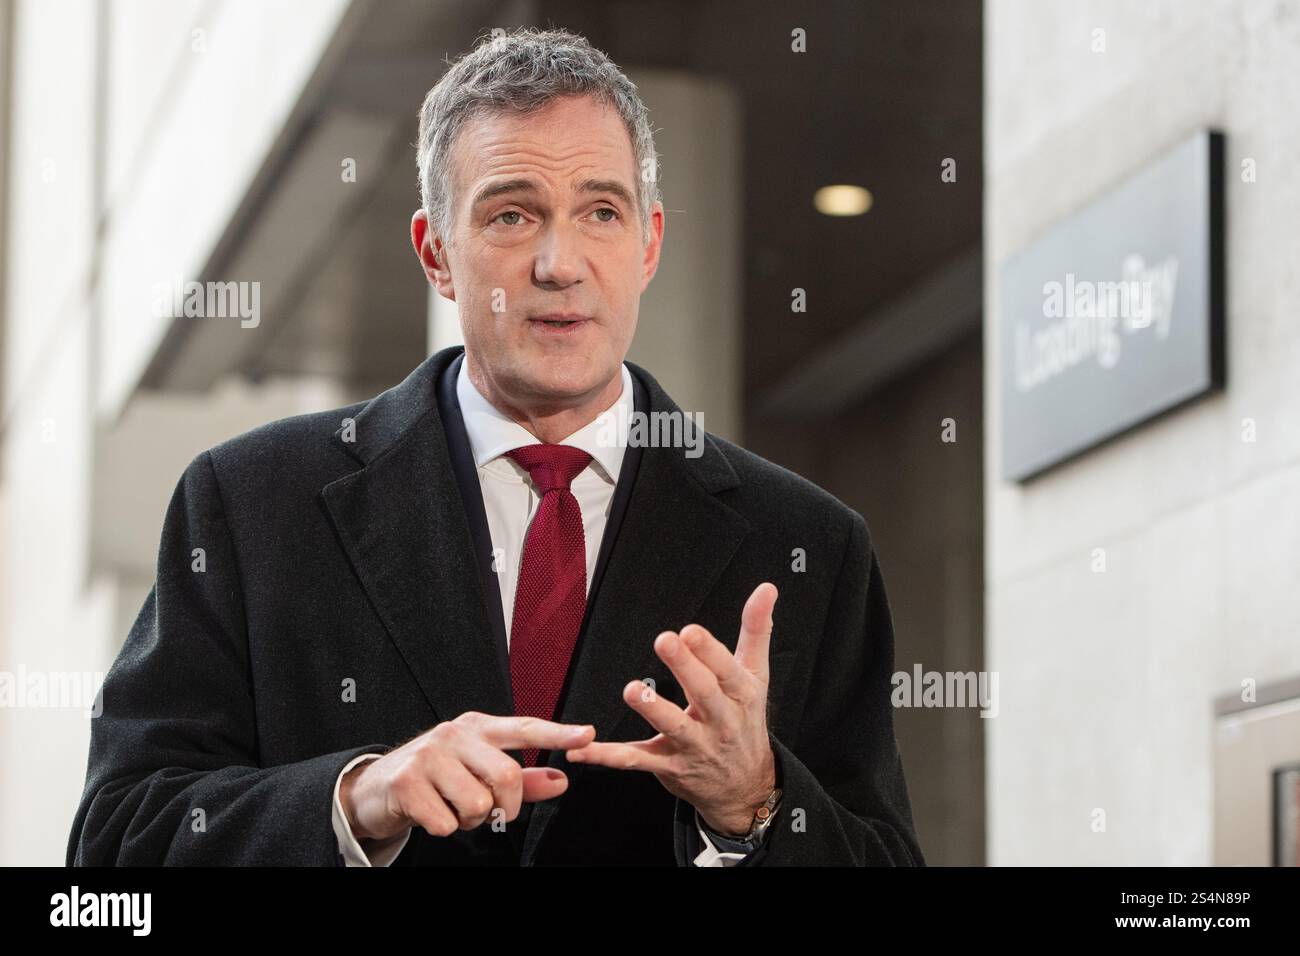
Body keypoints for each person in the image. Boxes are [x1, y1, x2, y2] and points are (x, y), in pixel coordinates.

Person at [67, 27, 922, 867]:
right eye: (512, 214)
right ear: (436, 253)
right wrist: (358, 800)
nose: (560, 263)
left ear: (650, 244)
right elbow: (114, 847)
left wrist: (755, 806)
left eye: (601, 212)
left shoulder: (810, 544)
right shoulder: (252, 503)